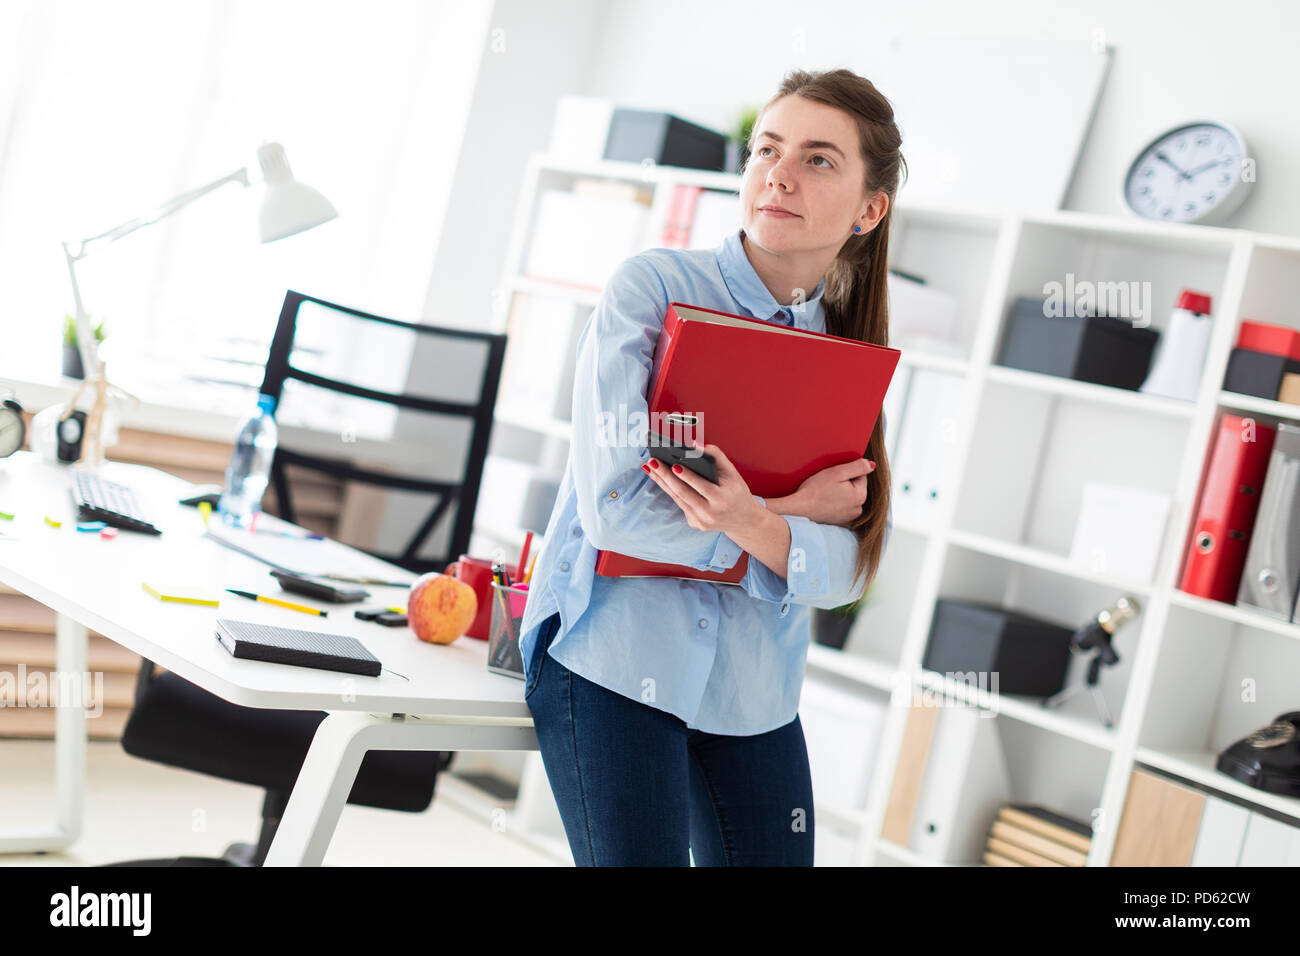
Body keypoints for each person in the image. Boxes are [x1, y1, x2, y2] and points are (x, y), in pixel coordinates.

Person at [516, 67, 904, 866]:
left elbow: (852, 573)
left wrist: (749, 516)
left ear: (871, 209)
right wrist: (785, 520)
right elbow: (617, 507)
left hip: (753, 692)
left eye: (819, 159)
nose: (779, 173)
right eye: (767, 149)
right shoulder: (652, 290)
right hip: (610, 655)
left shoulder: (850, 356)